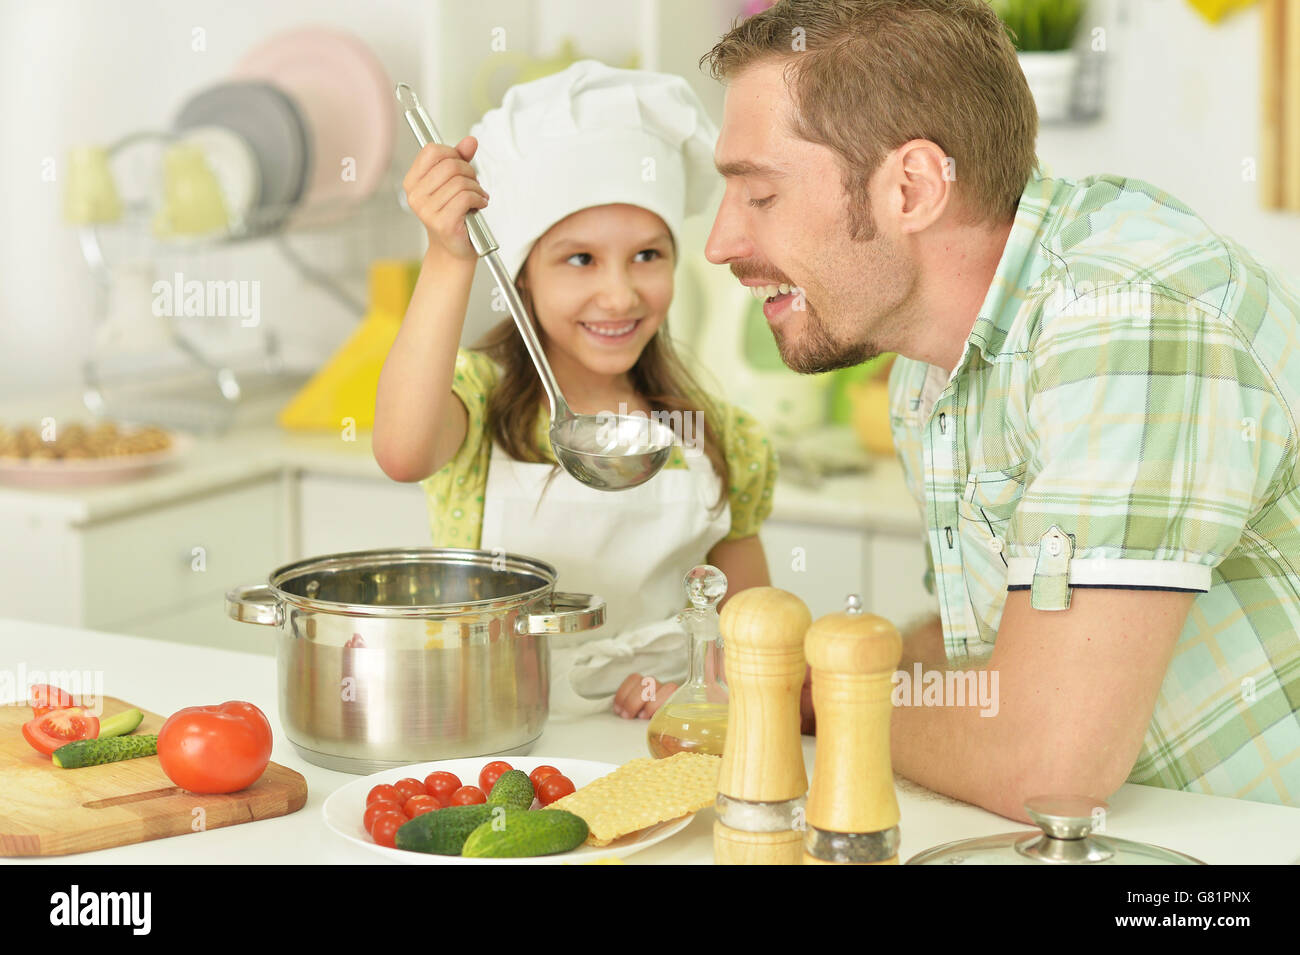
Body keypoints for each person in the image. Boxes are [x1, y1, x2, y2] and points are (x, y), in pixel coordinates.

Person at [700, 0, 1300, 820]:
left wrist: (810, 696)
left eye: (759, 195)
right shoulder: (933, 363)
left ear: (910, 187)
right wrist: (797, 663)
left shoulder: (1124, 316)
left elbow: (1044, 763)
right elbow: (993, 646)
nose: (721, 241)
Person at [374, 60, 776, 718]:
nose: (619, 293)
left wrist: (711, 691)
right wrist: (450, 257)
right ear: (523, 274)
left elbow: (754, 634)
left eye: (648, 254)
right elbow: (401, 450)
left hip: (659, 757)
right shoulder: (479, 404)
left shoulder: (716, 434)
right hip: (498, 753)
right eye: (579, 258)